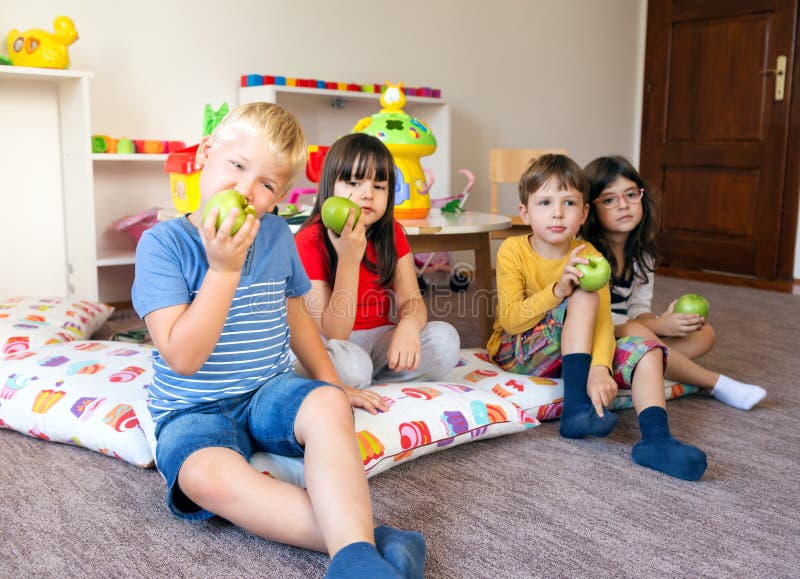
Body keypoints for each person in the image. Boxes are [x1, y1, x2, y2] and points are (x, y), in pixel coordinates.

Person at [132, 103, 425, 579]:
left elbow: (299, 322)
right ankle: (374, 543)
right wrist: (224, 268)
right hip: (192, 410)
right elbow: (183, 356)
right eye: (238, 166)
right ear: (206, 153)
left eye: (266, 184)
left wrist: (332, 385)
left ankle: (353, 561)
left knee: (329, 404)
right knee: (202, 477)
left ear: (281, 197)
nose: (246, 191)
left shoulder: (274, 235)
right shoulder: (162, 244)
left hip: (268, 390)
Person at [487, 153, 707, 480]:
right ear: (525, 212)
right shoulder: (513, 250)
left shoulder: (590, 254)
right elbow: (511, 320)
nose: (558, 213)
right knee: (584, 293)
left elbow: (604, 323)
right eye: (545, 202)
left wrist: (601, 367)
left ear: (584, 212)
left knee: (645, 351)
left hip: (572, 353)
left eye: (569, 203)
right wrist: (557, 291)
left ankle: (656, 440)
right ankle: (576, 408)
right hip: (519, 349)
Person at [582, 155, 766, 411]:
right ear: (590, 209)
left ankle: (655, 366)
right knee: (638, 332)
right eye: (610, 200)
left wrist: (666, 322)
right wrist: (655, 326)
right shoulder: (590, 255)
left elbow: (638, 309)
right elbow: (602, 319)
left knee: (704, 334)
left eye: (631, 194)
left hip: (633, 333)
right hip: (598, 339)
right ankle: (712, 382)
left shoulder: (642, 253)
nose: (623, 205)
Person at [294, 133, 459, 393]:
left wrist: (408, 325)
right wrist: (349, 259)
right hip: (334, 345)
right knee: (351, 368)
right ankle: (351, 379)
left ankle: (367, 380)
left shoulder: (391, 232)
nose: (367, 194)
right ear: (330, 186)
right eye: (354, 183)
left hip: (379, 340)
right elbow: (335, 332)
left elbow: (412, 300)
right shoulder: (309, 240)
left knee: (444, 340)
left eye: (379, 186)